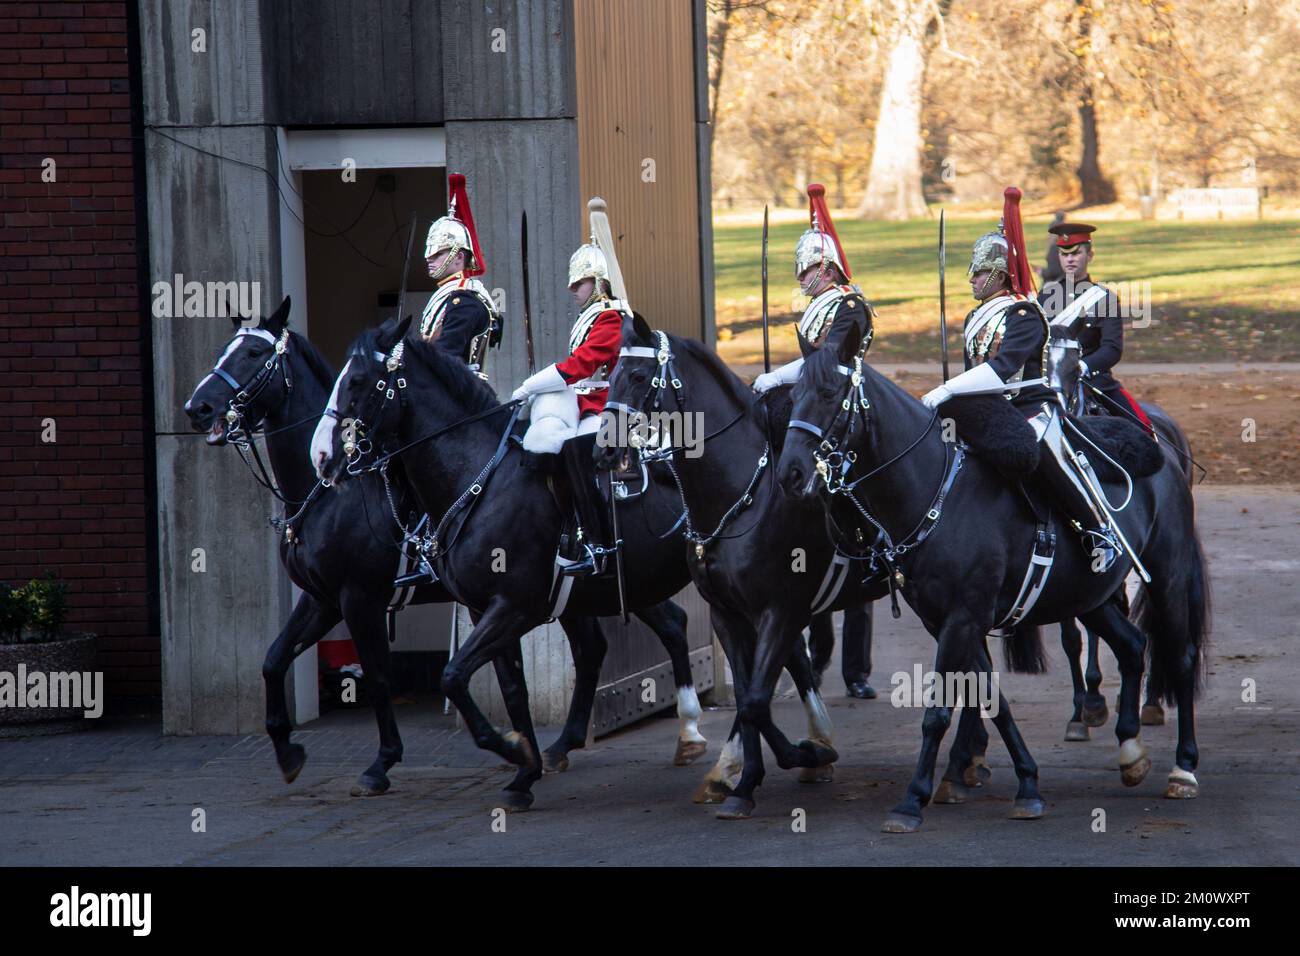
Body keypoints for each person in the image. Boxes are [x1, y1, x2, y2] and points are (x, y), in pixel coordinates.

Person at [920, 187, 1120, 570]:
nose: (972, 279)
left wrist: (945, 390)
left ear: (1001, 274)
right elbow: (973, 372)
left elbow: (1002, 370)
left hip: (1029, 407)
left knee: (1046, 452)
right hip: (990, 409)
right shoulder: (975, 316)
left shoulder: (1024, 314)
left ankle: (1097, 530)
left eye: (981, 272)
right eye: (973, 271)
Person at [511, 198, 631, 577]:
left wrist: (532, 384)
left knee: (580, 454)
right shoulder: (592, 317)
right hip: (586, 407)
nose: (572, 289)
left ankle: (599, 543)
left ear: (598, 282)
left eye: (578, 282)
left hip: (610, 407)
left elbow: (582, 367)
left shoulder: (611, 318)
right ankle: (566, 531)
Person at [753, 183, 872, 393]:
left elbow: (828, 360)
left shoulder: (849, 306)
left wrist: (778, 377)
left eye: (806, 271)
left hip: (841, 393)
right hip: (816, 385)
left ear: (827, 273)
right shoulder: (820, 302)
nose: (799, 277)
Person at [1037, 221, 1152, 431]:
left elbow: (1112, 349)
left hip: (1092, 381)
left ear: (1090, 255)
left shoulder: (1104, 298)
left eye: (1076, 253)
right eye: (1064, 254)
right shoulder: (1045, 296)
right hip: (1050, 382)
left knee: (1141, 428)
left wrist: (1081, 367)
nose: (1070, 259)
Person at [418, 173, 501, 376]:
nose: (429, 258)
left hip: (460, 392)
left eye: (438, 253)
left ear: (459, 257)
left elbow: (445, 354)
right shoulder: (451, 293)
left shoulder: (464, 299)